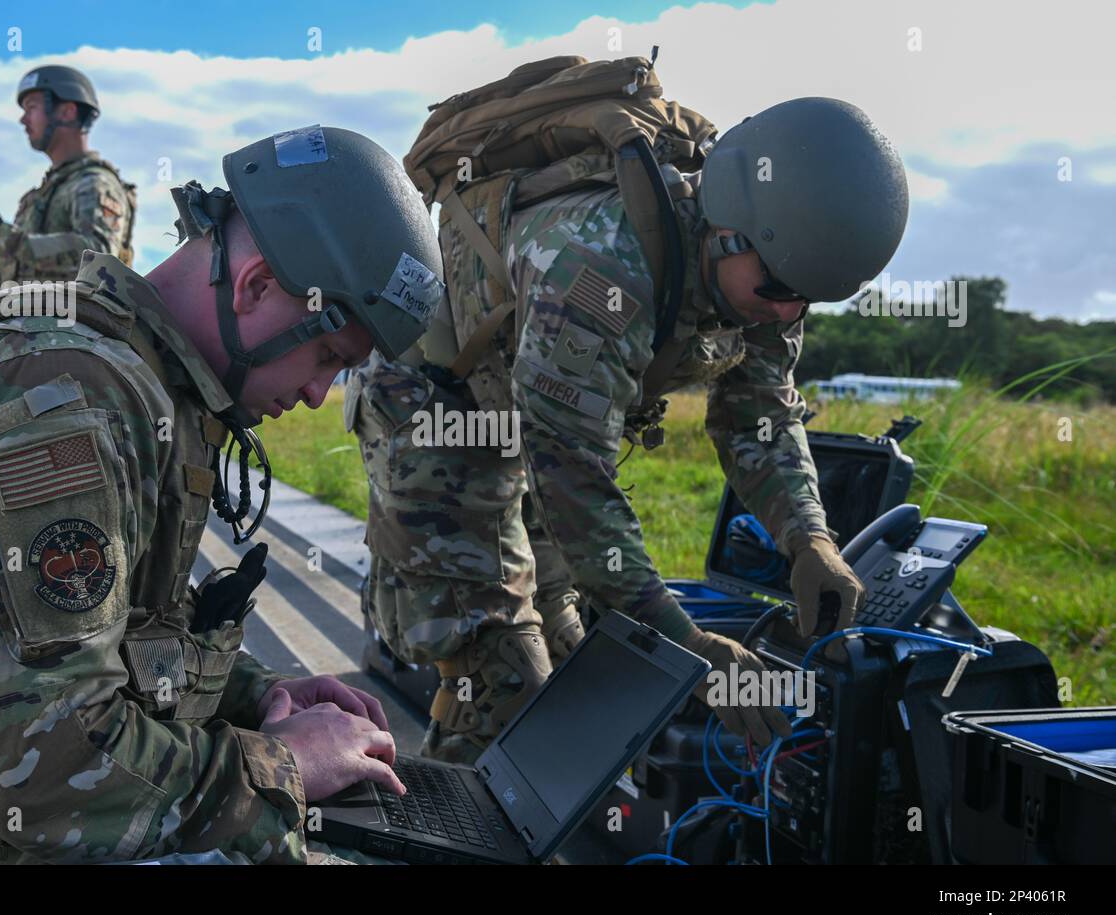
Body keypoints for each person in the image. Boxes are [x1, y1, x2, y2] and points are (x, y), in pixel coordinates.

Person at [0, 125, 444, 863]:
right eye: (328, 355)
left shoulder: (124, 367)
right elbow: (37, 762)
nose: (316, 393)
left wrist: (254, 695)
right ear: (256, 286)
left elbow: (104, 636)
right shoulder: (69, 398)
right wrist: (285, 767)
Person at [348, 96, 907, 763]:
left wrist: (809, 539)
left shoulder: (770, 274)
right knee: (503, 676)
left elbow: (760, 419)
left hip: (533, 414)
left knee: (570, 652)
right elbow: (574, 484)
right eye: (780, 288)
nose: (788, 312)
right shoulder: (598, 268)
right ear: (725, 228)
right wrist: (691, 647)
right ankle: (441, 803)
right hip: (435, 410)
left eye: (807, 298)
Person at [0, 65, 136, 285]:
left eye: (31, 107)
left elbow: (98, 256)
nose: (23, 120)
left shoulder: (95, 183)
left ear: (67, 112)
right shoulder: (49, 191)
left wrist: (5, 239)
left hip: (67, 307)